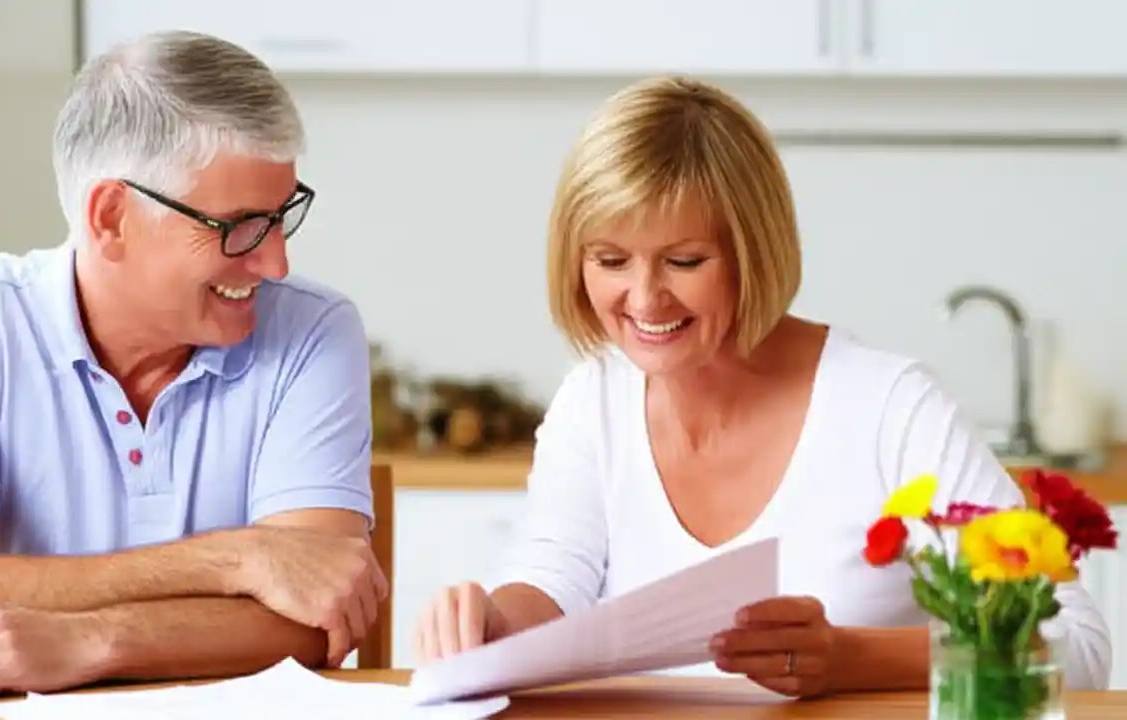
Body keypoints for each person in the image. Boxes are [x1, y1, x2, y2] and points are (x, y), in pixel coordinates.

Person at [412, 76, 1111, 696]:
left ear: (754, 251)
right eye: (611, 259)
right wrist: (494, 626)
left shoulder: (888, 406)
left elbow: (1077, 650)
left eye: (684, 260)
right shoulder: (593, 398)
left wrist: (850, 657)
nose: (644, 298)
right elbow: (553, 577)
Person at [0, 30, 386, 697]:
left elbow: (317, 620)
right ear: (111, 217)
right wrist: (240, 559)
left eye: (283, 216)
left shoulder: (313, 331)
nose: (276, 262)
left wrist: (92, 641)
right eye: (240, 226)